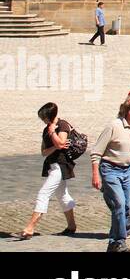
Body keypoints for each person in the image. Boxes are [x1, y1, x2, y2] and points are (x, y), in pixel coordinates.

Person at [89, 96, 130, 253]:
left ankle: (113, 243)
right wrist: (95, 175)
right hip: (110, 169)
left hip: (127, 171)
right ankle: (120, 241)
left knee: (125, 207)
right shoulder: (114, 126)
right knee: (119, 204)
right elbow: (96, 152)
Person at [19, 102, 78, 240]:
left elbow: (61, 143)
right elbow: (44, 152)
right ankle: (72, 226)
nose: (43, 120)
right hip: (52, 165)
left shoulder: (62, 125)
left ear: (49, 116)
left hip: (60, 165)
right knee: (62, 195)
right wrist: (54, 143)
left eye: (44, 118)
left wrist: (53, 132)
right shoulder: (46, 129)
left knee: (43, 193)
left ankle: (30, 228)